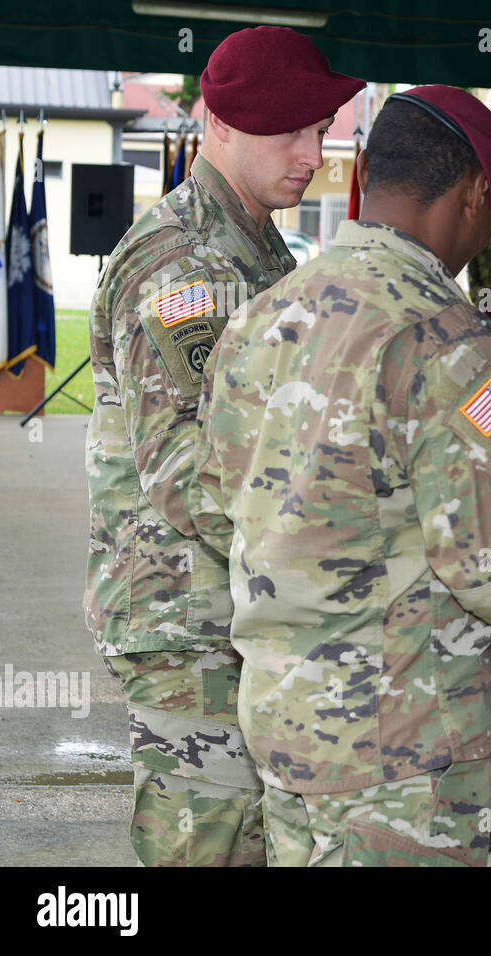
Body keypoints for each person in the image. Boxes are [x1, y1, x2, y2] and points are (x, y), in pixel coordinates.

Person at [192, 85, 491, 867]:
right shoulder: (447, 337)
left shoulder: (262, 316)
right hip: (400, 741)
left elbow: (219, 499)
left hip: (284, 719)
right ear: (476, 192)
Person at [84, 25, 363, 867]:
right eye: (293, 131)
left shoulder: (255, 245)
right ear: (221, 125)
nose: (316, 153)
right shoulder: (183, 262)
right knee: (207, 846)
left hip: (240, 602)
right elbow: (181, 470)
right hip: (188, 614)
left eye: (321, 130)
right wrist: (327, 563)